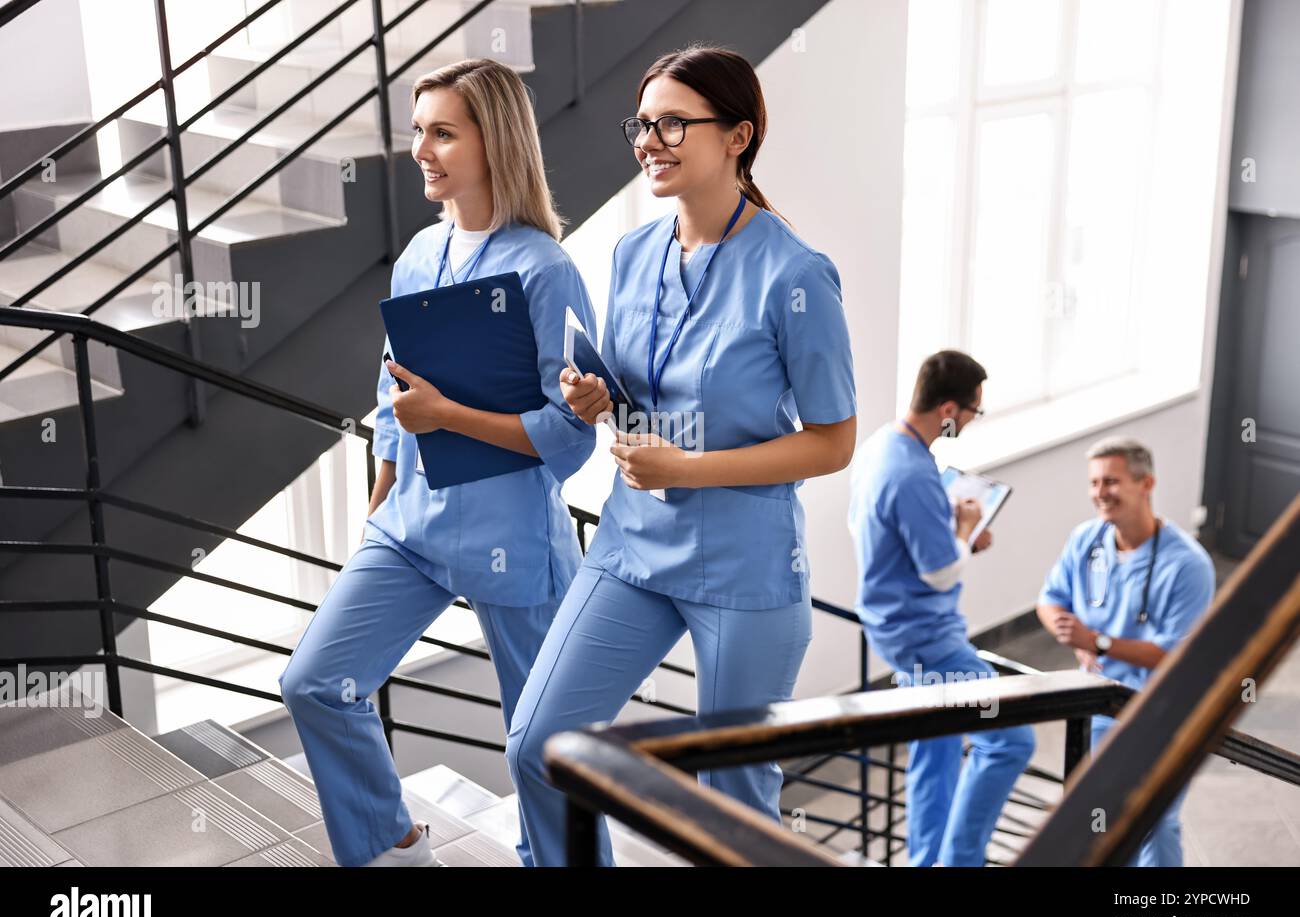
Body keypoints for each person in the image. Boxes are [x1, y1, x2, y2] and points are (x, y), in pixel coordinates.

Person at [504, 45, 858, 866]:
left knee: (732, 800)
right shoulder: (632, 253)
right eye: (644, 123)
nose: (649, 141)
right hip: (633, 545)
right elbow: (634, 394)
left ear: (738, 136)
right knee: (539, 745)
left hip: (745, 565)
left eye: (673, 123)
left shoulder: (796, 275)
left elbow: (834, 440)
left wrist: (691, 470)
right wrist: (593, 398)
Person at [278, 59, 598, 867]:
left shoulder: (544, 269)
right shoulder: (419, 254)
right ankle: (394, 850)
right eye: (417, 129)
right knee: (315, 681)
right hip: (412, 528)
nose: (421, 147)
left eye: (442, 131)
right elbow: (393, 392)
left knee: (544, 751)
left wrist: (449, 417)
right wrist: (385, 487)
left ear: (495, 141)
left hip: (518, 539)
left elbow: (571, 433)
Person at [848, 350, 1033, 866]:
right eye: (974, 411)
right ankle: (959, 860)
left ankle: (926, 861)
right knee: (1010, 742)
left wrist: (950, 522)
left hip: (889, 625)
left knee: (938, 746)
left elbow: (889, 531)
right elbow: (939, 571)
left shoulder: (883, 446)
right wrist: (966, 530)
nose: (973, 421)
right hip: (924, 638)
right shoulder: (912, 473)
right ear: (949, 408)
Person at [1037, 436, 1214, 866]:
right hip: (1101, 703)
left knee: (1155, 818)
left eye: (1111, 482)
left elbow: (1176, 655)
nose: (1100, 493)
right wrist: (1066, 629)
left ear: (1146, 483)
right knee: (1103, 817)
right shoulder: (1087, 539)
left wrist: (1095, 641)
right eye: (1095, 482)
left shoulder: (1188, 565)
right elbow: (1050, 597)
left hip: (1163, 711)